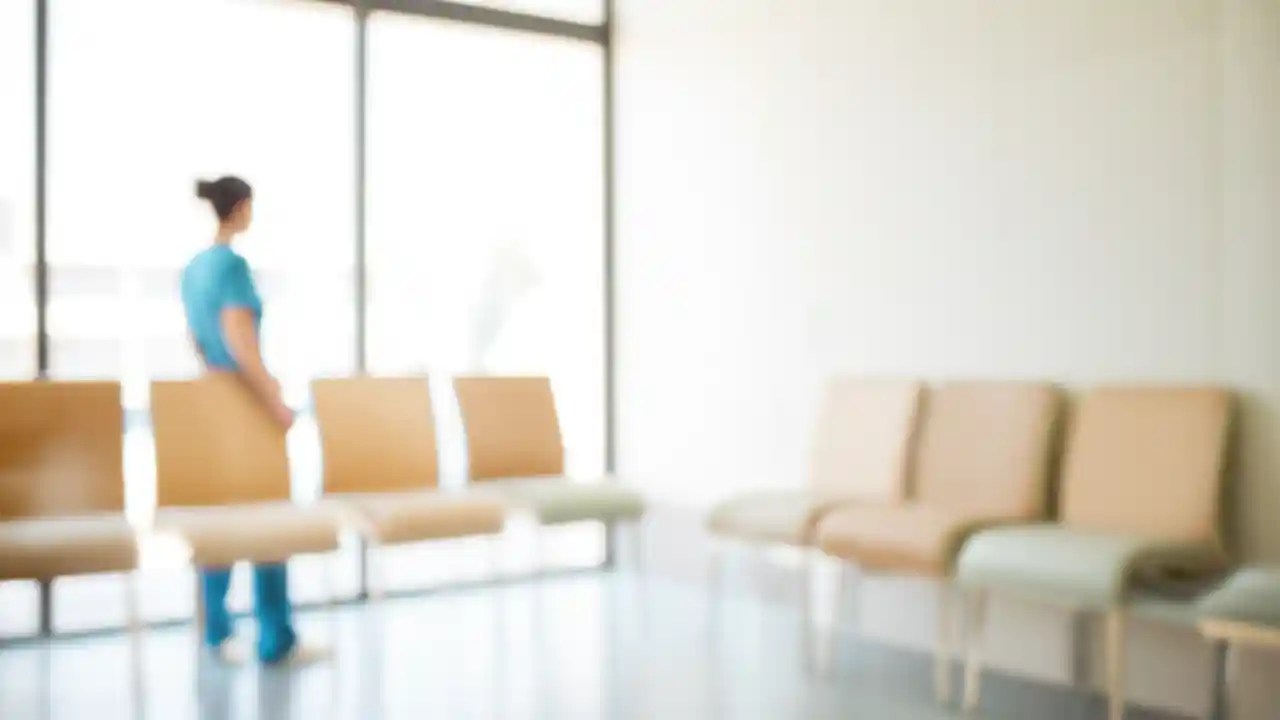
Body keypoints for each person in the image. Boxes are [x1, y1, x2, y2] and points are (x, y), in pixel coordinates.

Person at [182, 175, 317, 665]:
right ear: (240, 208)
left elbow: (199, 342)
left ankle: (216, 631)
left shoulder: (193, 268)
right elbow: (240, 340)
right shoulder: (233, 265)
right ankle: (274, 637)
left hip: (211, 402)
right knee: (268, 521)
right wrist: (274, 401)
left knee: (220, 521)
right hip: (245, 405)